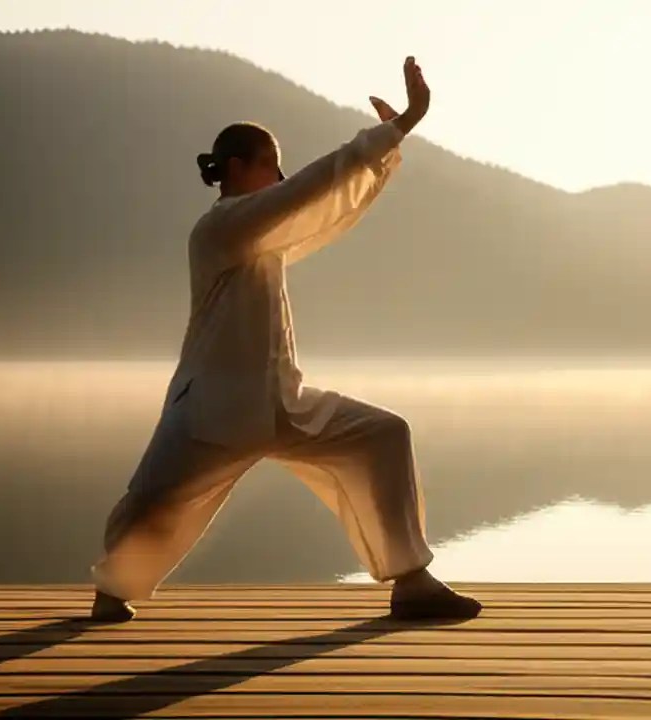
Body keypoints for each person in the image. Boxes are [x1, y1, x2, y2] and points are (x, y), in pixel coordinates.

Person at [88, 56, 481, 623]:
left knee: (383, 436)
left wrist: (384, 150)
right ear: (239, 167)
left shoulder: (258, 236)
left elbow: (319, 211)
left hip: (281, 403)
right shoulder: (222, 228)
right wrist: (398, 127)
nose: (278, 176)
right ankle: (110, 591)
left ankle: (411, 581)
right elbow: (307, 191)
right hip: (214, 410)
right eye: (271, 166)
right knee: (154, 497)